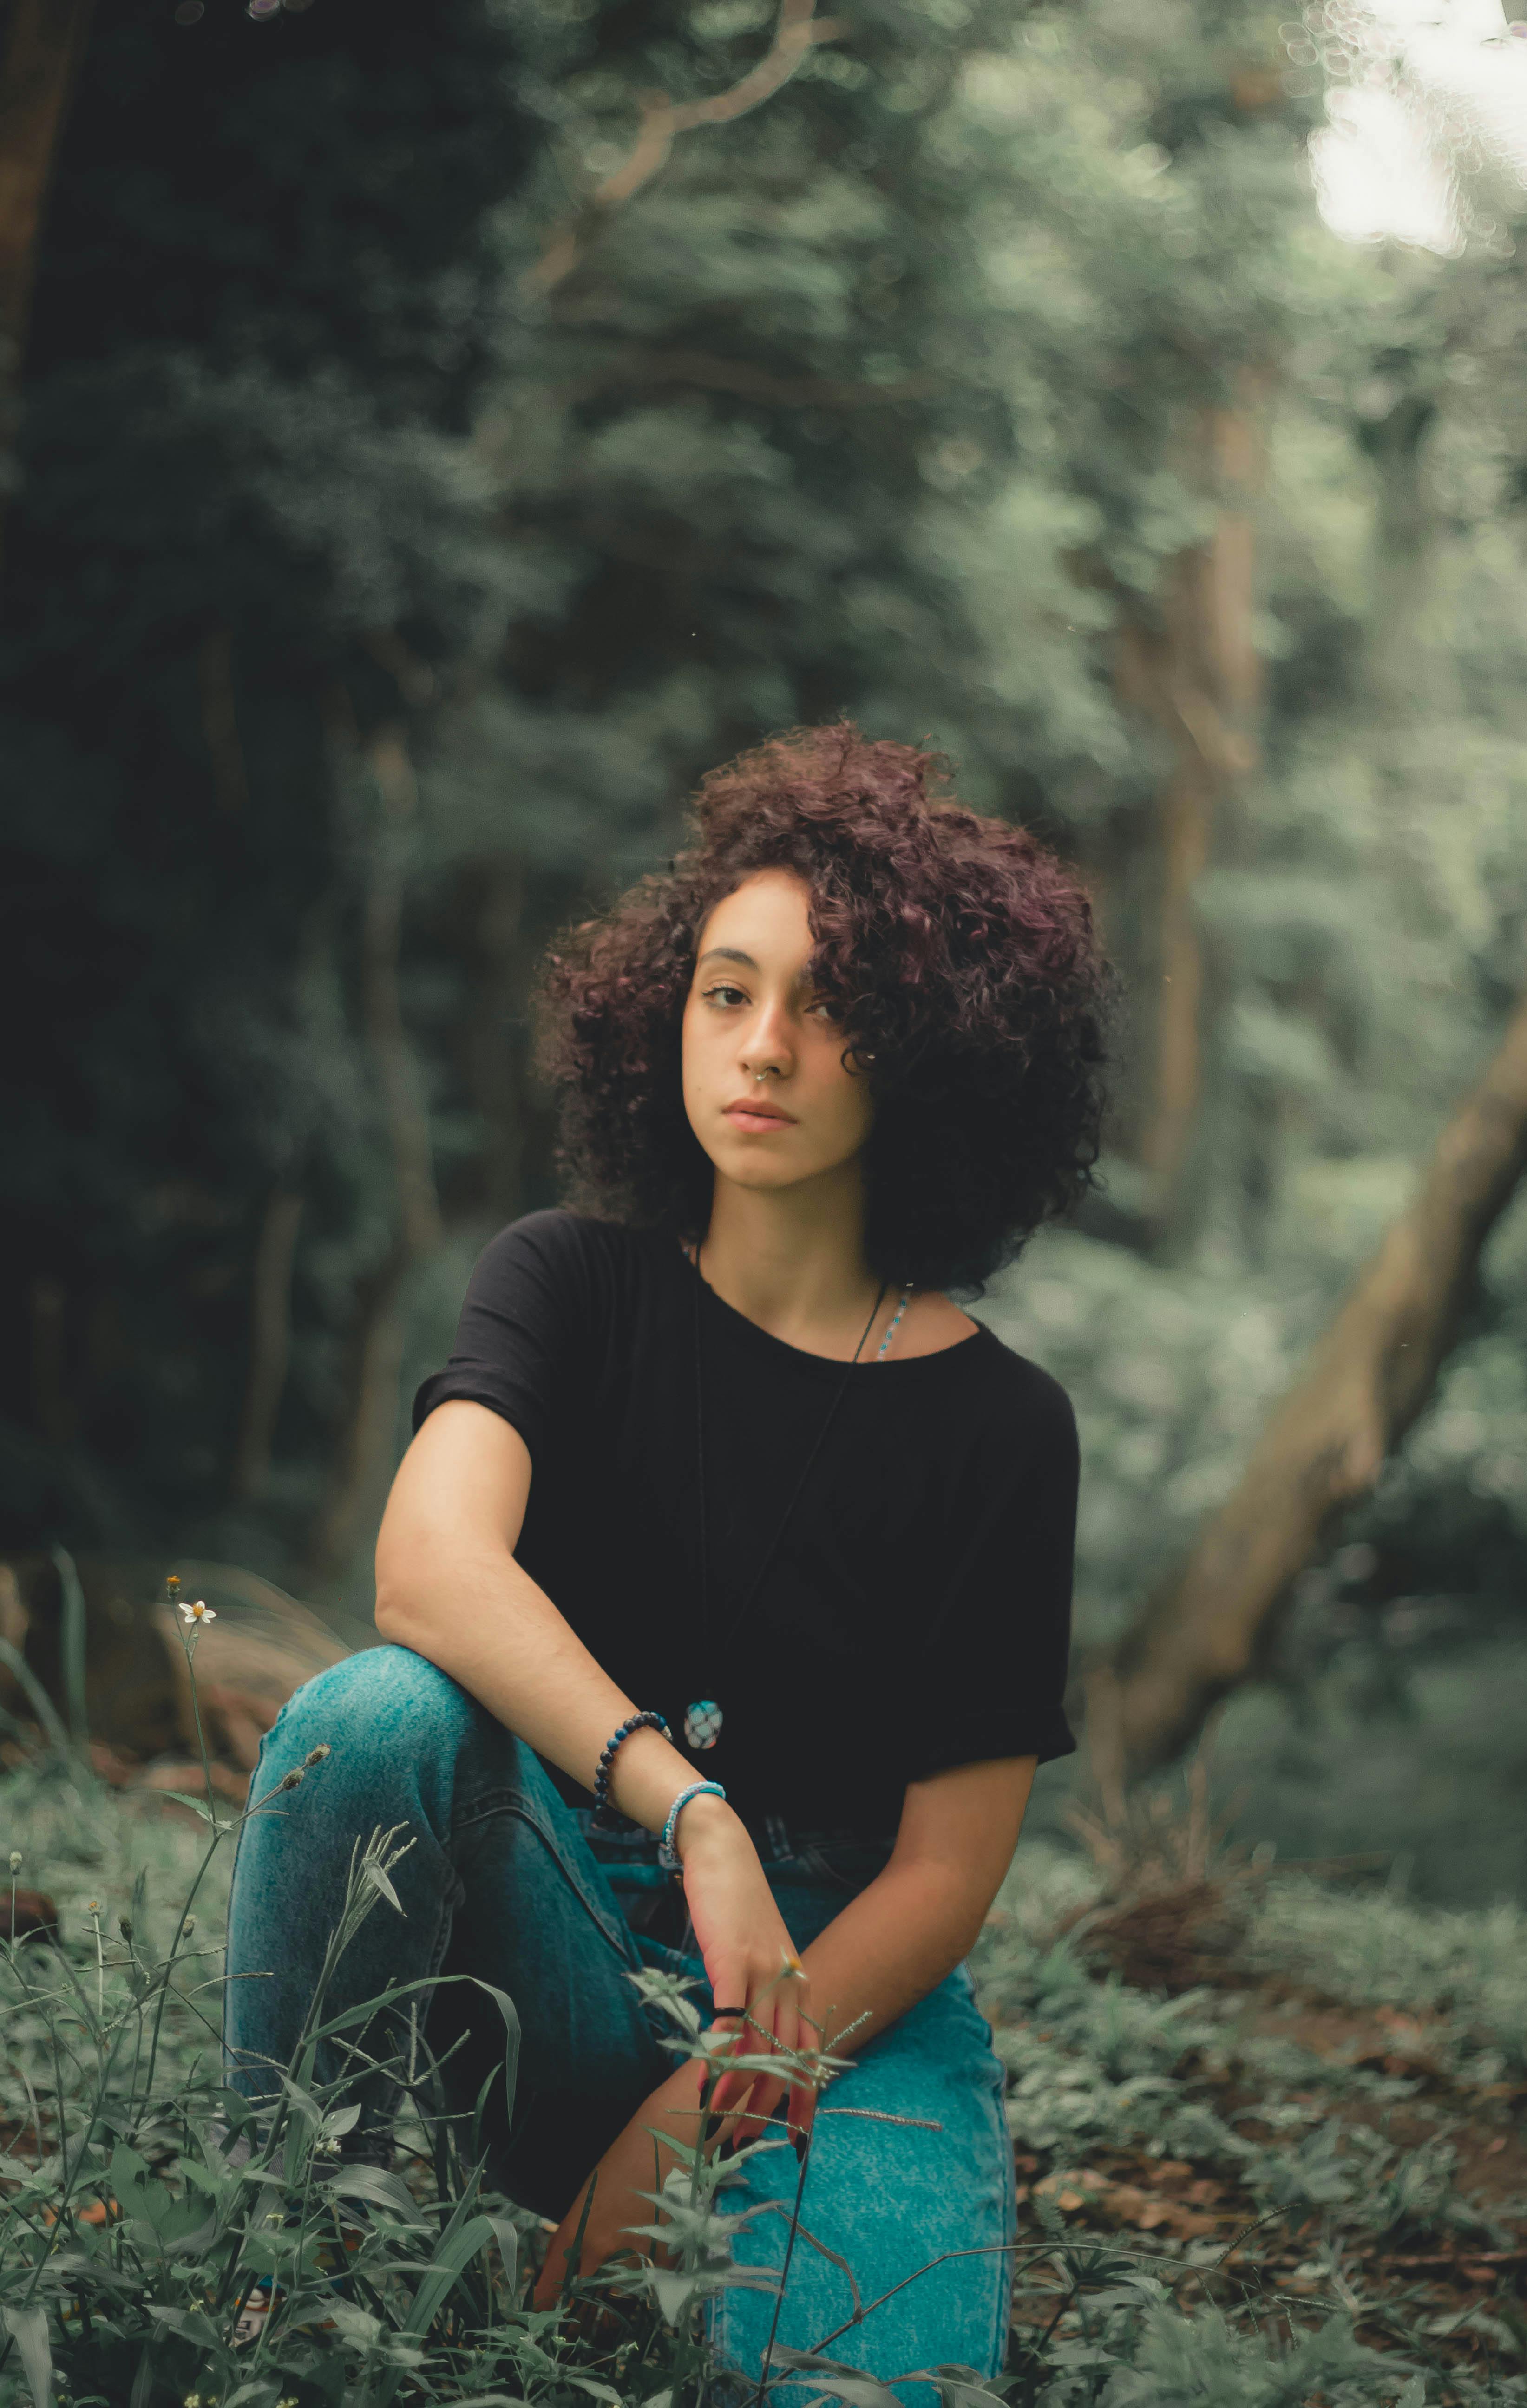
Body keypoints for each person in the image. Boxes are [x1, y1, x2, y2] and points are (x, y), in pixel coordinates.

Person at [225, 722, 1111, 2390]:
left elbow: (944, 1876)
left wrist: (685, 2130)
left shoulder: (1004, 1427)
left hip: (838, 2002)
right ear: (667, 1012)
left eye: (831, 1004)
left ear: (926, 1049)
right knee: (375, 1714)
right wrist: (683, 1807)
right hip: (555, 1911)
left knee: (858, 2383)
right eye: (727, 990)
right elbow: (424, 1564)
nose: (763, 1046)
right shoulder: (567, 1280)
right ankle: (275, 2283)